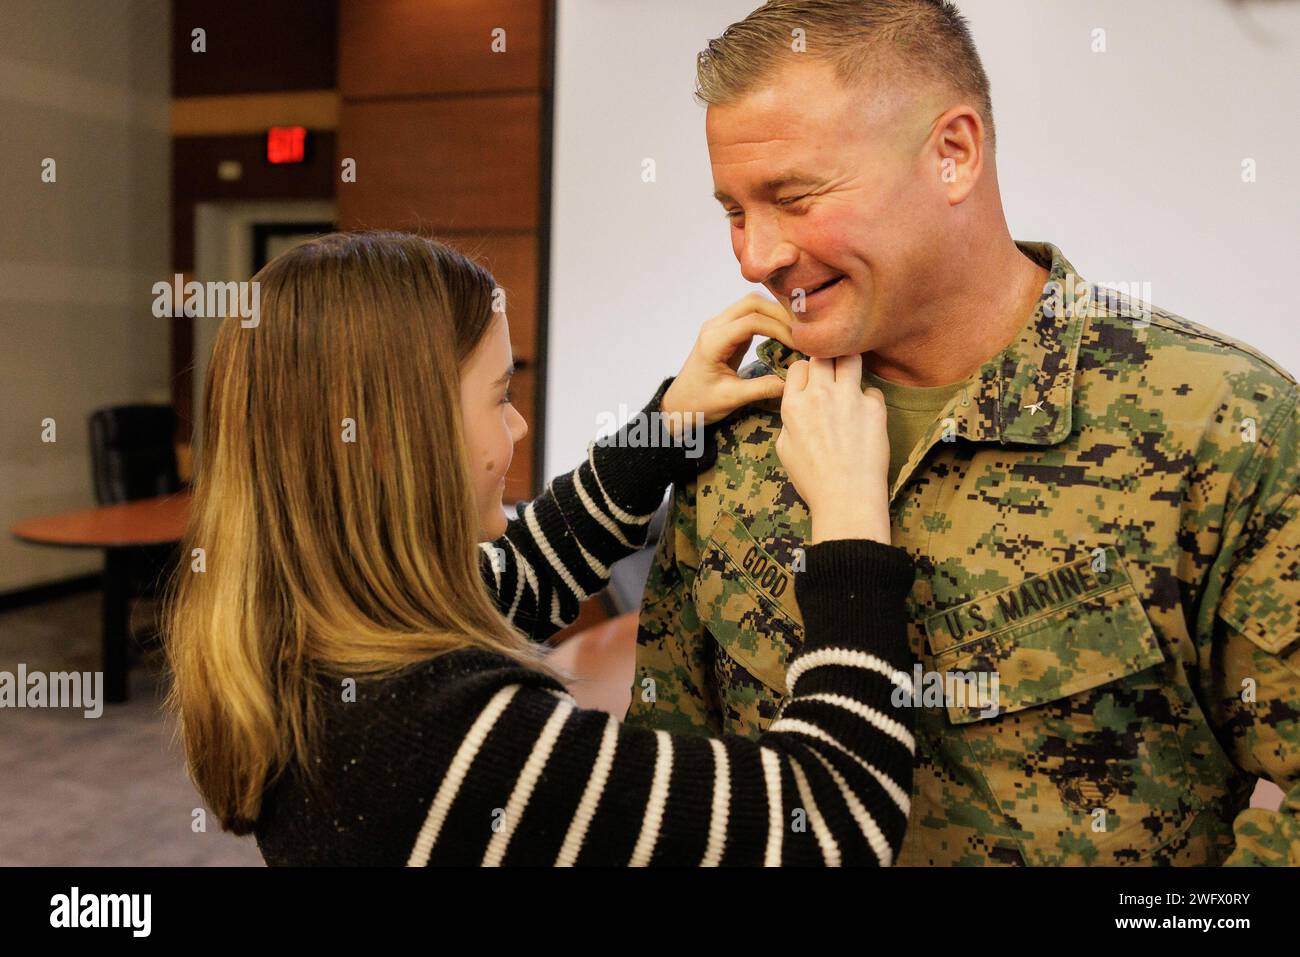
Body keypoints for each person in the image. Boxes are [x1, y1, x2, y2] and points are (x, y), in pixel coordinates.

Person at [626, 0, 1300, 866]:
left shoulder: (1221, 427)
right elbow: (673, 774)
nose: (756, 257)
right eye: (734, 210)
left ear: (953, 153)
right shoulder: (736, 426)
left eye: (793, 198)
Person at [164, 230, 917, 866]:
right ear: (400, 445)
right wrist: (850, 513)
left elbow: (521, 572)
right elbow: (830, 817)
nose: (519, 426)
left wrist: (665, 426)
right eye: (499, 397)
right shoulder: (451, 742)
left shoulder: (315, 634)